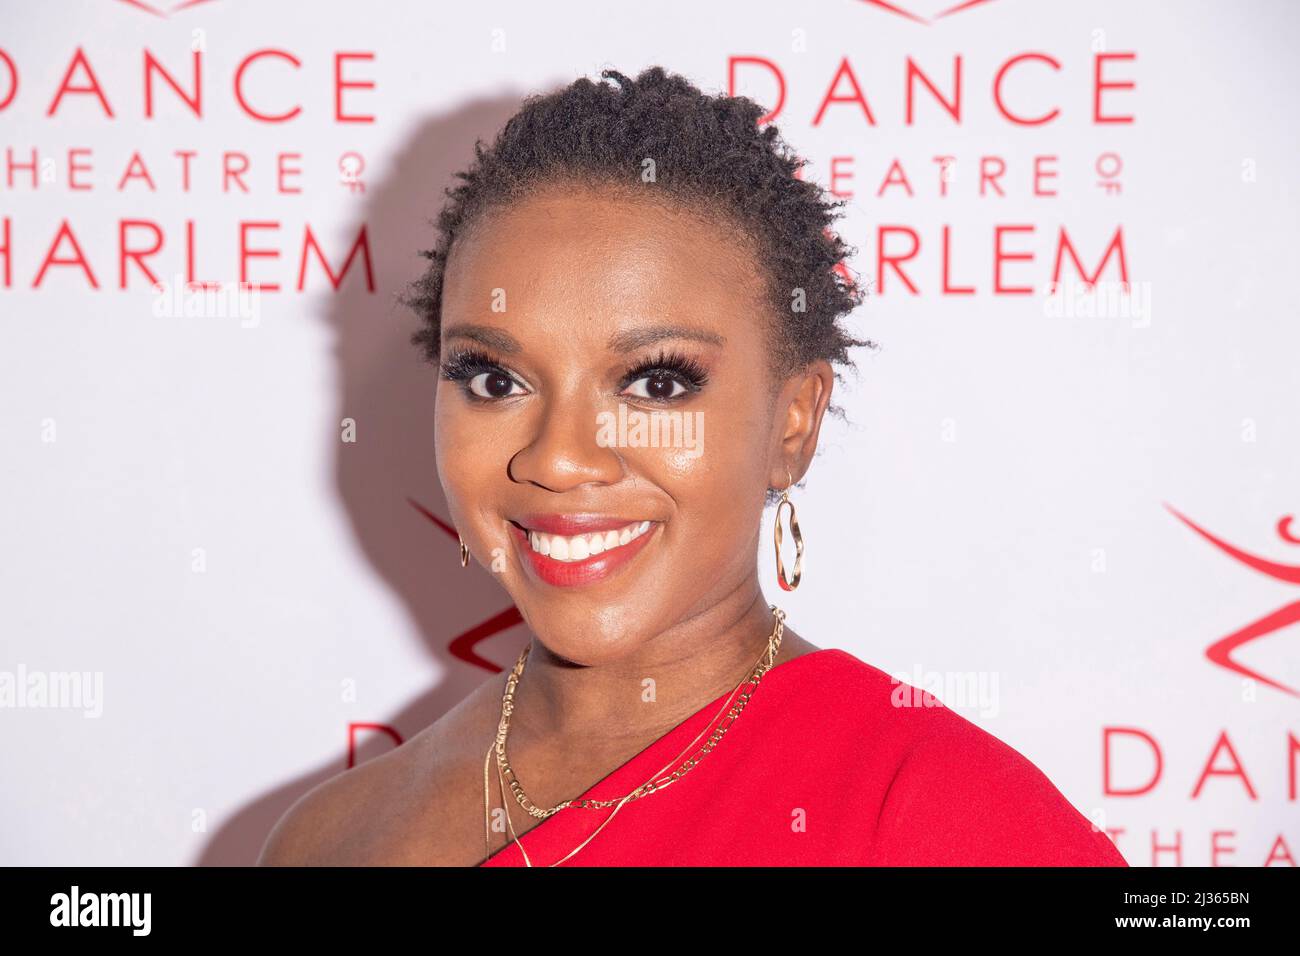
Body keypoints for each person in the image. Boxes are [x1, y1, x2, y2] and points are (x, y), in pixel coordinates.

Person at [257, 67, 1127, 867]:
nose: (558, 457)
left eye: (655, 382)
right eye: (495, 377)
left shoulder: (940, 818)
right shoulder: (335, 838)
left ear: (794, 422)